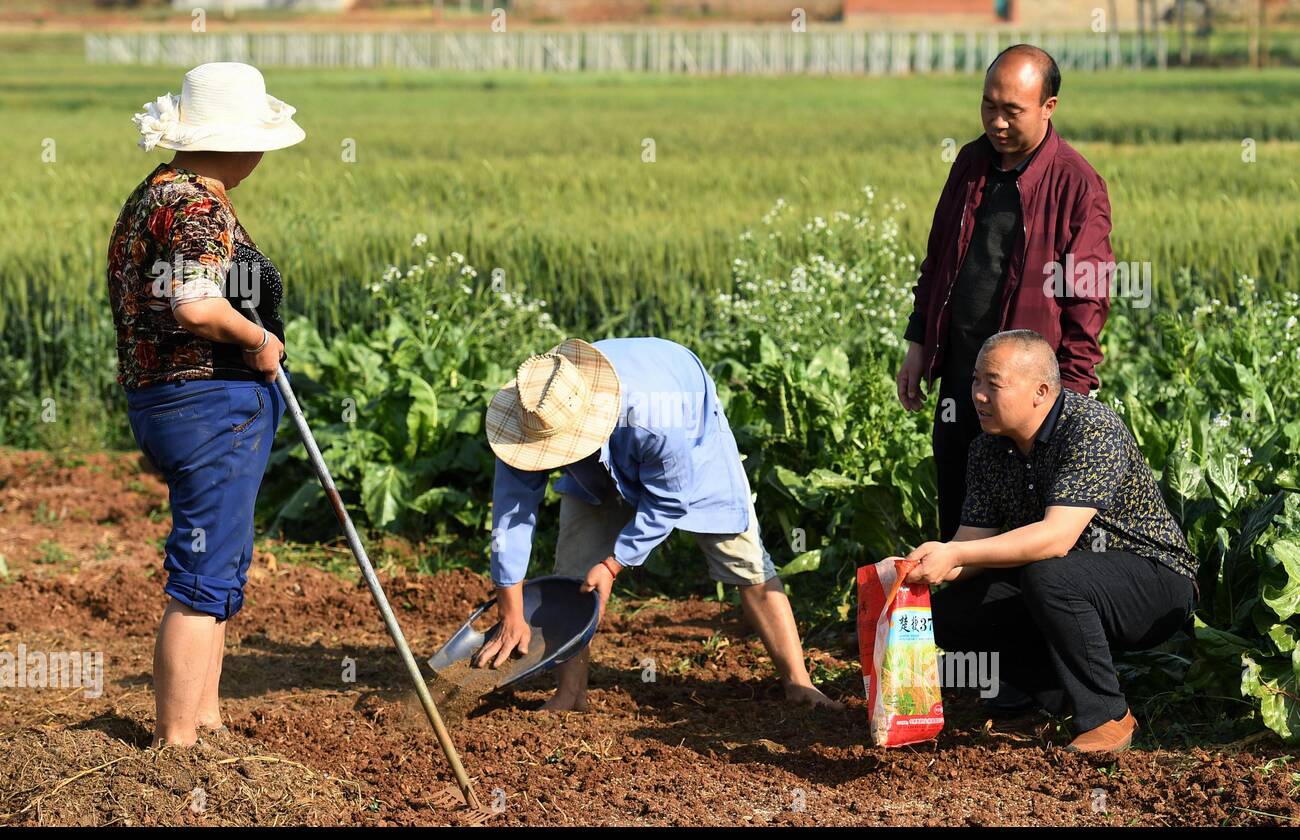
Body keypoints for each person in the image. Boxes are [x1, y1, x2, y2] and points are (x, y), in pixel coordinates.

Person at [476, 336, 839, 712]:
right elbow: (510, 515)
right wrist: (511, 609)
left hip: (688, 431)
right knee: (575, 573)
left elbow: (669, 498)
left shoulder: (656, 420)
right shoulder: (531, 415)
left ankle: (798, 682)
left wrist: (614, 563)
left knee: (743, 560)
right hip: (600, 453)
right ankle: (570, 694)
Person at [106, 61, 305, 747]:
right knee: (200, 579)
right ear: (237, 142)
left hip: (164, 402)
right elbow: (195, 302)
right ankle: (177, 745)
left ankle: (207, 721)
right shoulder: (197, 206)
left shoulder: (152, 195)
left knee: (218, 564)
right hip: (209, 407)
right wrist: (258, 339)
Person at [902, 330, 1198, 753]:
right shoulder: (988, 447)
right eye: (975, 381)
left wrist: (957, 553)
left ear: (1041, 391)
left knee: (1048, 574)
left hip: (1153, 578)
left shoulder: (1090, 428)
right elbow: (973, 543)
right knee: (950, 611)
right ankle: (1049, 690)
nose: (978, 396)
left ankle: (1108, 716)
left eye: (993, 384)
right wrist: (928, 565)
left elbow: (1057, 538)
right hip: (1065, 578)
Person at [897, 44, 1114, 541]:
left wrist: (1070, 395)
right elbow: (937, 261)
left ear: (1048, 107)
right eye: (988, 106)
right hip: (961, 372)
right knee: (957, 500)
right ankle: (956, 615)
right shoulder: (971, 163)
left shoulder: (1076, 184)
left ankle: (1019, 616)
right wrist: (917, 345)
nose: (996, 122)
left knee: (1021, 521)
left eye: (1011, 111)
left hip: (1026, 391)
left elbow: (1089, 297)